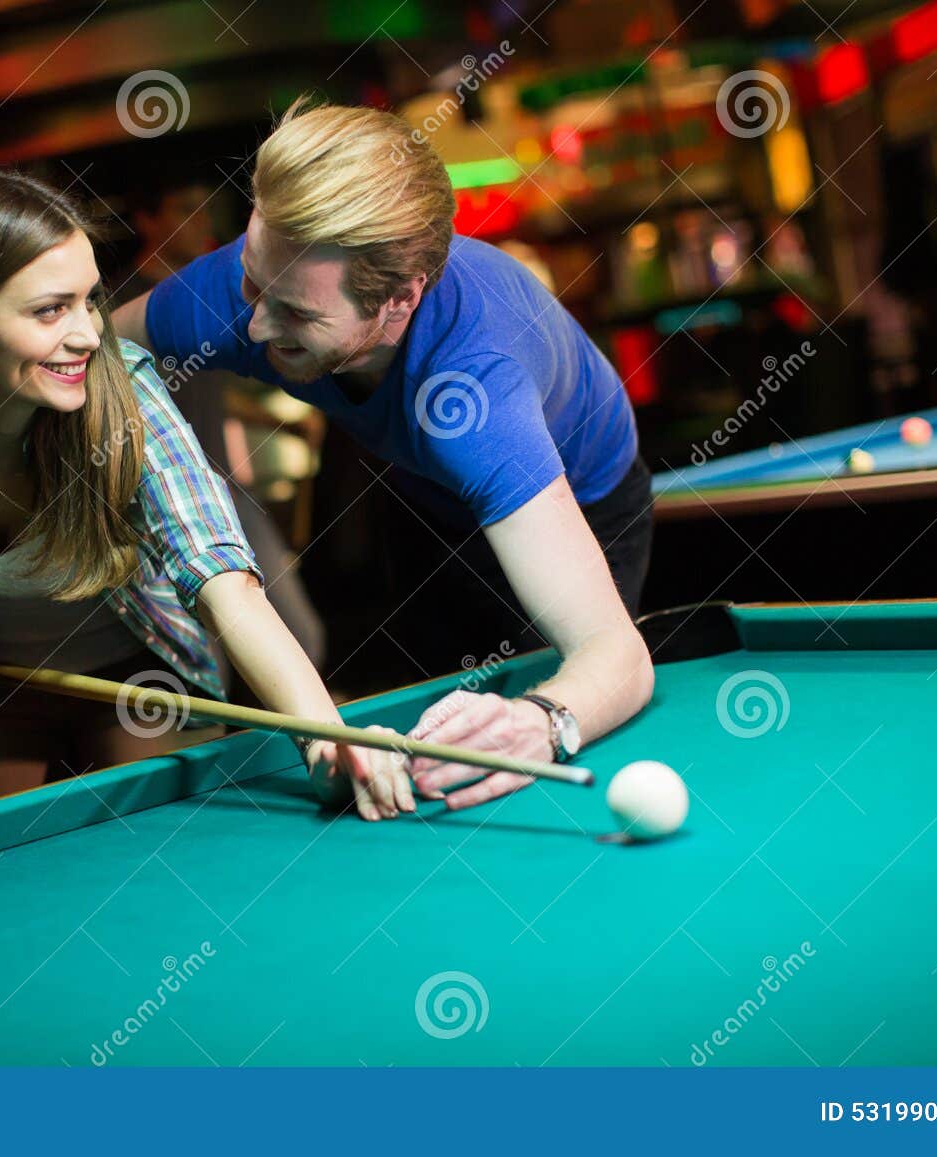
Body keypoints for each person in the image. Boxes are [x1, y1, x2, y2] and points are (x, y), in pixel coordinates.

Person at [0, 170, 410, 820]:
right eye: (49, 309)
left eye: (89, 299)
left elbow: (222, 576)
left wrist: (327, 735)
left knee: (159, 864)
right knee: (9, 875)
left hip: (141, 668)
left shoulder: (127, 395)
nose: (90, 333)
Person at [113, 99, 655, 810]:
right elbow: (96, 355)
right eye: (252, 281)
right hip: (423, 492)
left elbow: (618, 657)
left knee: (506, 759)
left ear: (398, 302)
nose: (251, 323)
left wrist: (542, 721)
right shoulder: (265, 275)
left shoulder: (478, 393)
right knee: (420, 737)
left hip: (580, 500)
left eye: (297, 314)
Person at [113, 180, 326, 676]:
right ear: (147, 221)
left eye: (205, 210)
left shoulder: (209, 293)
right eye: (185, 207)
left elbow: (204, 393)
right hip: (154, 501)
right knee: (208, 663)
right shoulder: (122, 305)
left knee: (304, 638)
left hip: (227, 487)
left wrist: (276, 421)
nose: (202, 222)